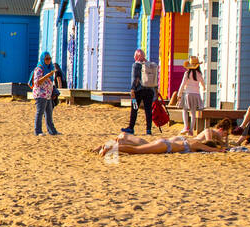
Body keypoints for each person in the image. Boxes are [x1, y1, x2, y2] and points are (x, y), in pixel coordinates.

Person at [95, 121, 233, 157]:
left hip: (165, 142)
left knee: (136, 148)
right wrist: (220, 150)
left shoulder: (193, 142)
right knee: (136, 150)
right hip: (165, 146)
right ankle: (110, 148)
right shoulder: (197, 144)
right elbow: (208, 148)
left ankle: (111, 147)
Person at [122, 48, 156, 136]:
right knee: (148, 110)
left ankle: (131, 128)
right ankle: (148, 130)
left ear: (136, 56)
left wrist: (132, 89)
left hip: (138, 91)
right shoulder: (150, 65)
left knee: (134, 109)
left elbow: (136, 78)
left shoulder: (136, 65)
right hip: (150, 90)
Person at [171, 56, 206, 135]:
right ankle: (191, 131)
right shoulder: (199, 74)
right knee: (193, 113)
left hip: (187, 94)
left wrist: (179, 94)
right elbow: (203, 83)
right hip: (196, 94)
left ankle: (186, 126)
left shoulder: (187, 73)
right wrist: (204, 88)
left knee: (185, 110)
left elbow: (182, 84)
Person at [30, 52, 60, 136]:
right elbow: (37, 82)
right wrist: (47, 76)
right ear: (43, 59)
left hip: (48, 94)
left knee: (49, 113)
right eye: (46, 59)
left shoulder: (50, 68)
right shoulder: (39, 69)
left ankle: (52, 131)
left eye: (49, 58)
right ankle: (38, 131)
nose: (48, 60)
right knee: (40, 112)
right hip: (40, 94)